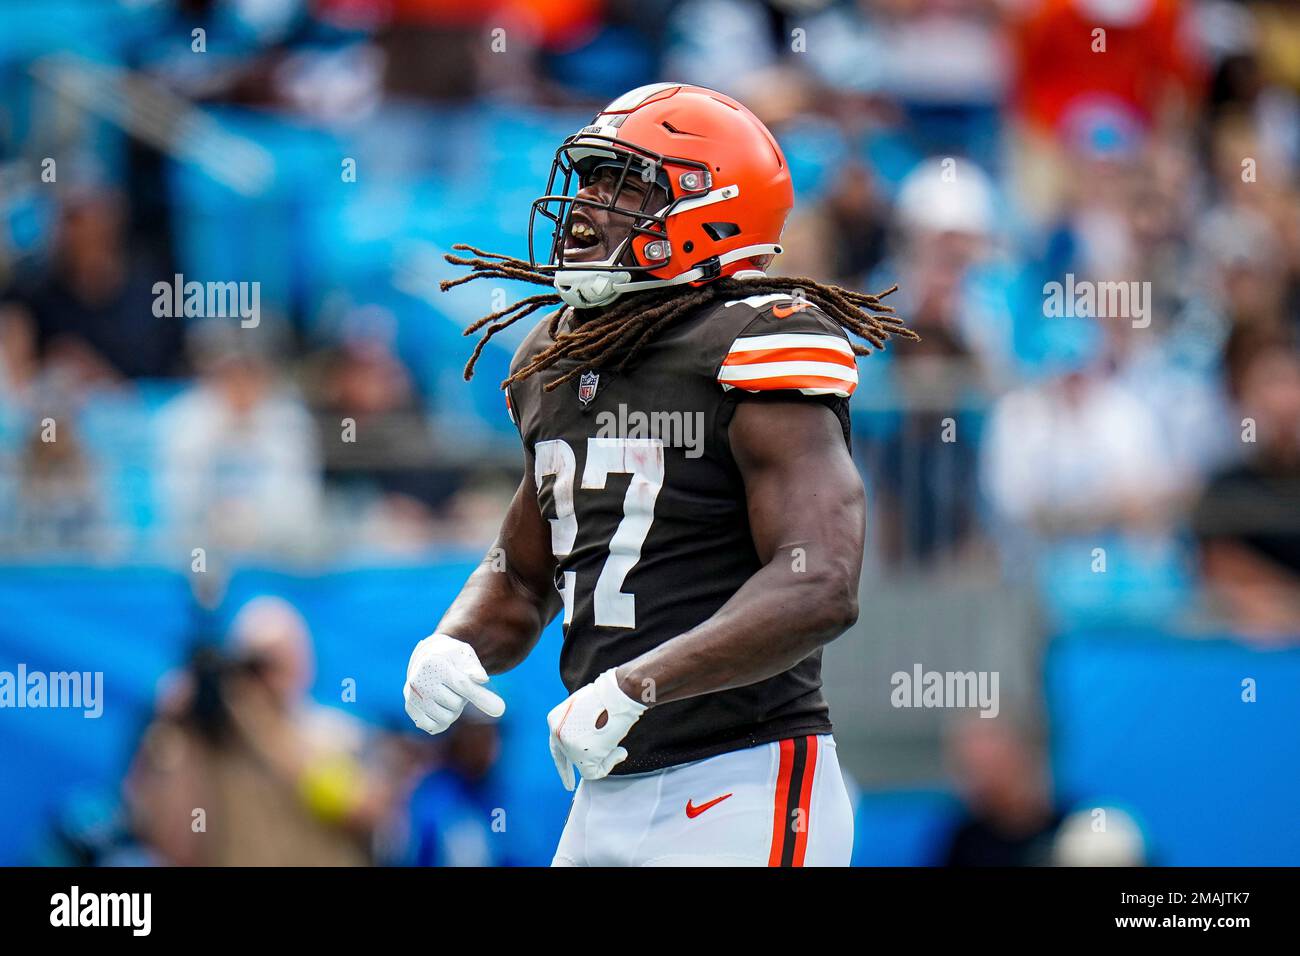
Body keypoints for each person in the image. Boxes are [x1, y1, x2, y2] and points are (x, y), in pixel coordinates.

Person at [403, 83, 917, 866]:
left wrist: (637, 685)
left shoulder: (758, 338)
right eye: (590, 179)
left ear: (711, 210)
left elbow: (820, 582)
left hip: (741, 779)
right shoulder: (556, 354)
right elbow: (524, 575)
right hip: (605, 790)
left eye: (625, 184)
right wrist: (451, 642)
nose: (587, 204)